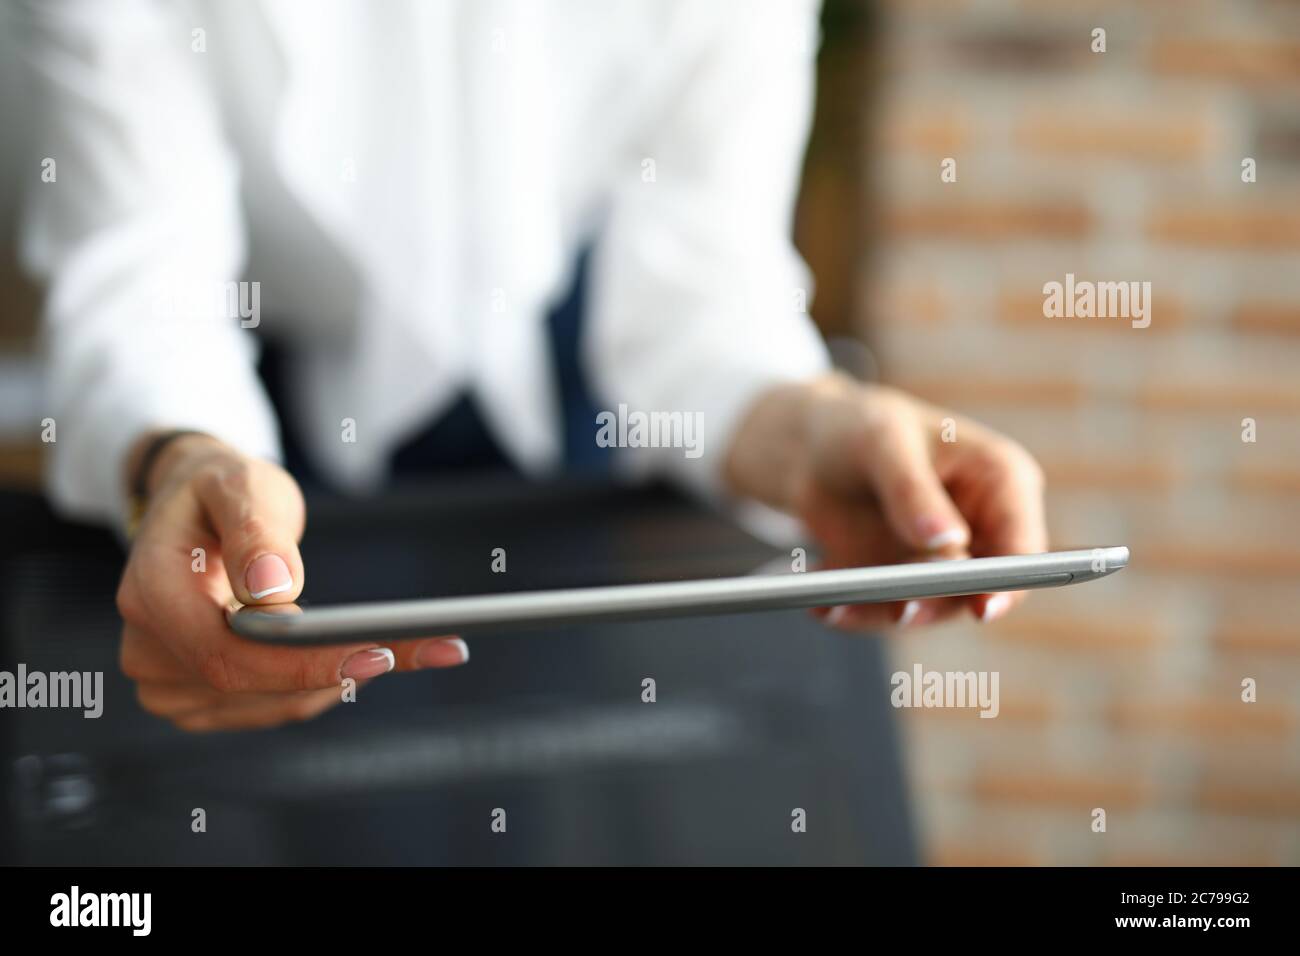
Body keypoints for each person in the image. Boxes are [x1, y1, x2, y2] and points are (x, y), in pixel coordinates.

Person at [17, 0, 1046, 732]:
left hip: (578, 414)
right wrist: (183, 459)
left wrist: (815, 422)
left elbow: (699, 297)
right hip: (255, 422)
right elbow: (143, 278)